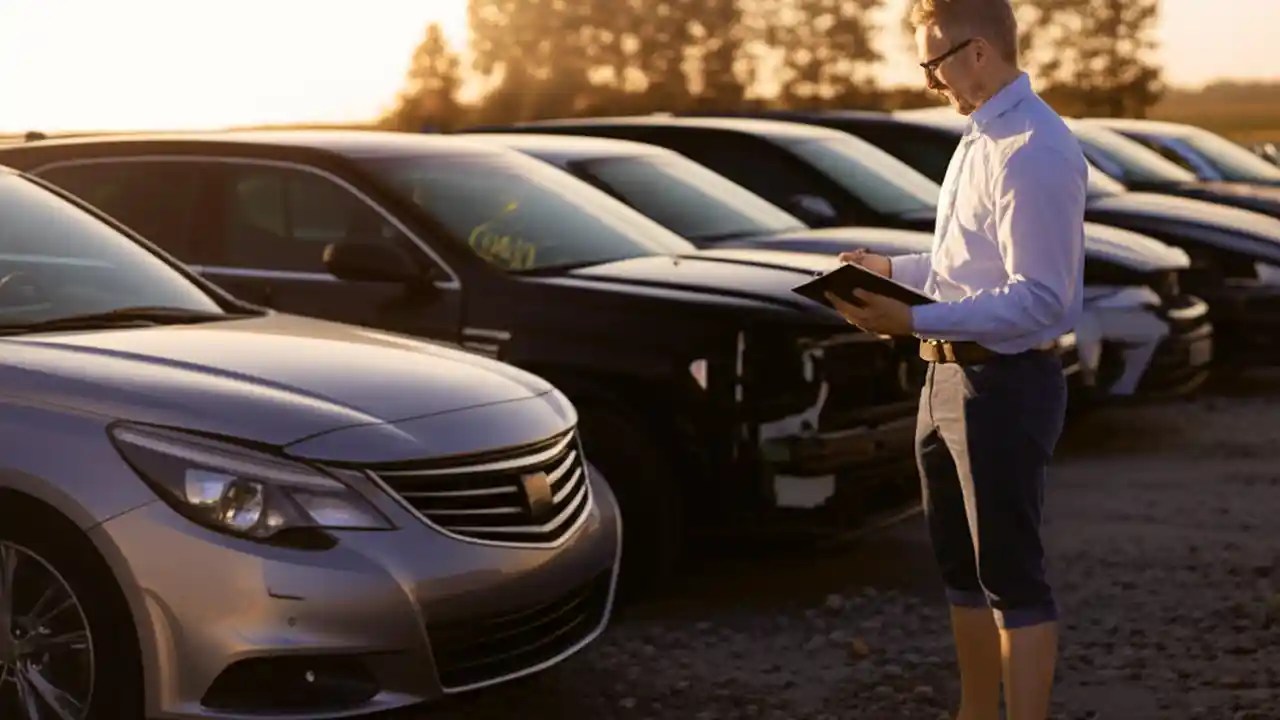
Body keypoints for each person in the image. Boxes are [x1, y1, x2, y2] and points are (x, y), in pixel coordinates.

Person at [822, 1, 1086, 718]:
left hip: (1003, 384)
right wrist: (890, 271)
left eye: (933, 62)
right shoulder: (979, 139)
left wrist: (912, 319)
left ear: (978, 52)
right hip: (944, 378)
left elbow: (1042, 299)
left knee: (1010, 574)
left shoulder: (1034, 147)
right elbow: (961, 268)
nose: (927, 80)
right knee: (961, 570)